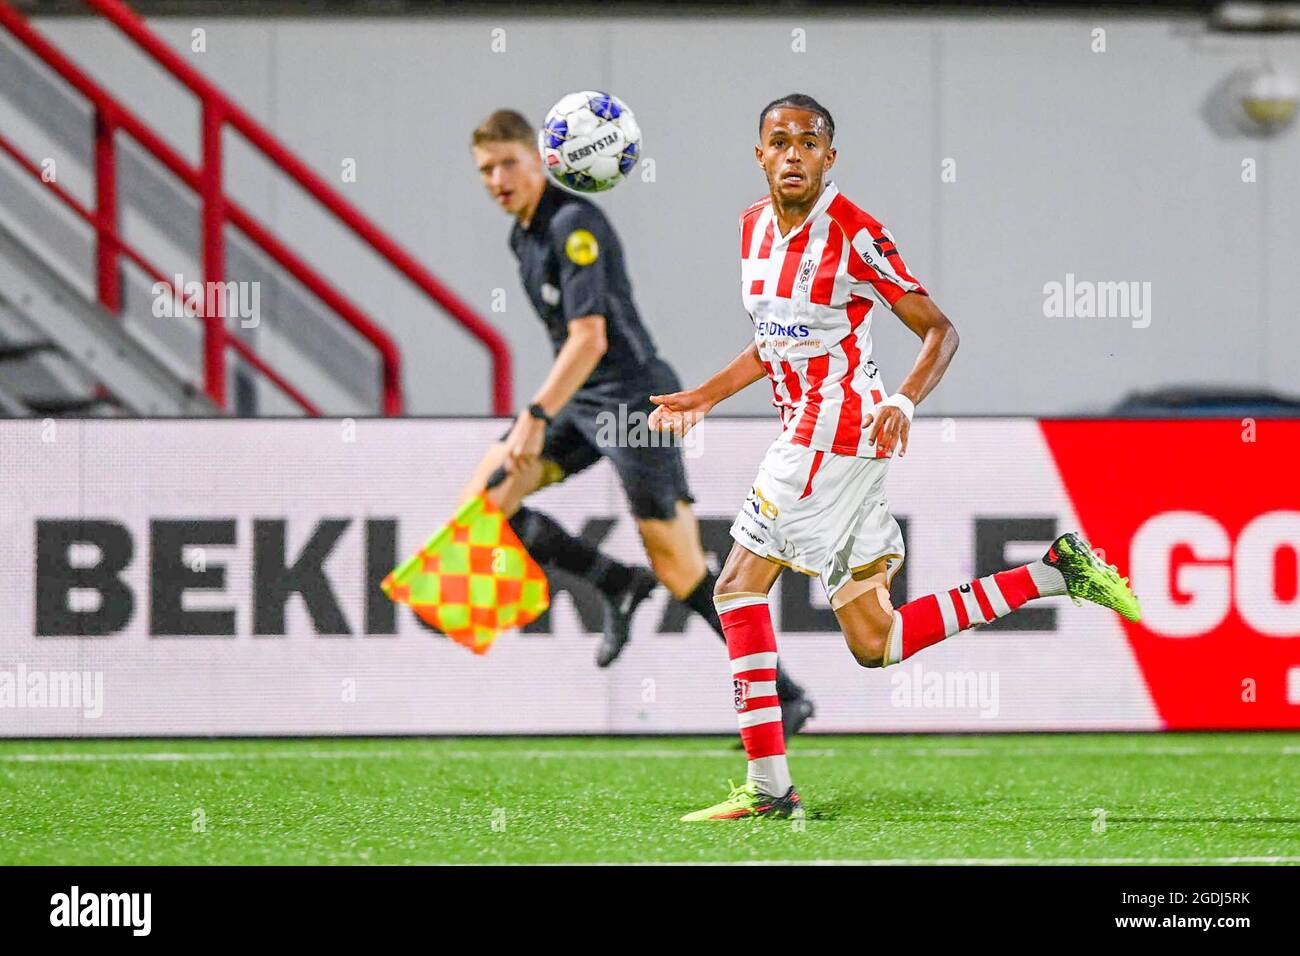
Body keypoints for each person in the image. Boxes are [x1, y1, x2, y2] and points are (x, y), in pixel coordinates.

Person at [649, 94, 1141, 820]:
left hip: (834, 434)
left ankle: (769, 789)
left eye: (809, 142)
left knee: (734, 589)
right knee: (875, 641)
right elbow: (774, 342)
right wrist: (706, 396)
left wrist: (903, 401)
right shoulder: (752, 230)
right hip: (822, 438)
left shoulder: (854, 234)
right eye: (779, 142)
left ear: (829, 157)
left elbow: (939, 330)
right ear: (759, 155)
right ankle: (1054, 571)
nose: (793, 153)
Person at [466, 108, 816, 737]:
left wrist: (534, 415)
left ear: (539, 160)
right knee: (488, 497)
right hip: (581, 402)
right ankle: (613, 582)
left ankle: (785, 693)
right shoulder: (522, 236)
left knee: (682, 570)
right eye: (486, 169)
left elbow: (591, 337)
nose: (498, 178)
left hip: (634, 402)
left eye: (509, 163)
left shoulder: (575, 223)